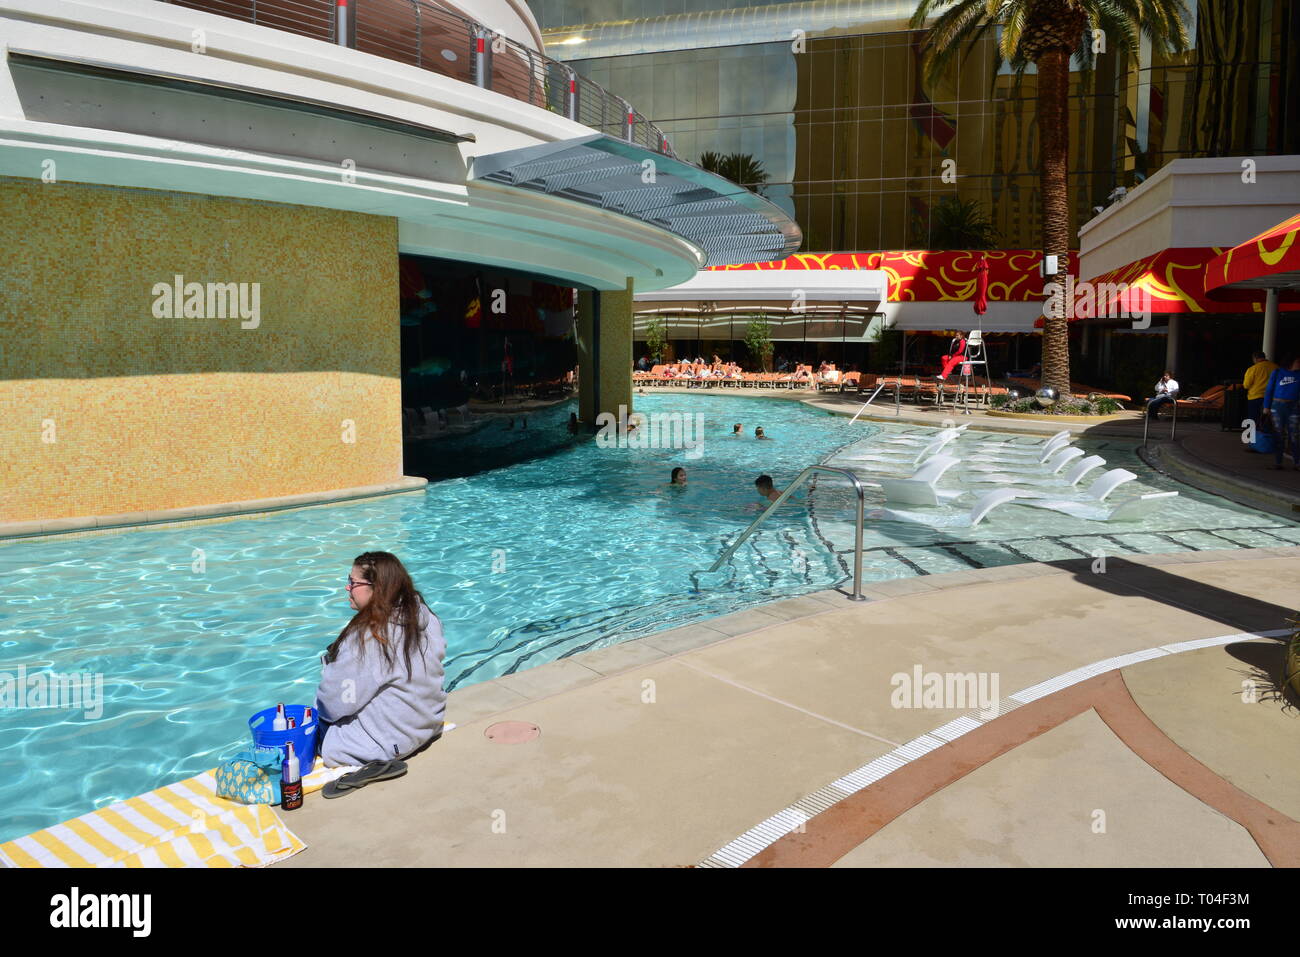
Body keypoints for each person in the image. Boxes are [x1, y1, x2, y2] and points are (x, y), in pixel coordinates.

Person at [315, 552, 446, 771]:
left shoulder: (370, 637)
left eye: (353, 583)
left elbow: (335, 705)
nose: (347, 588)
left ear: (377, 588)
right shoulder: (424, 616)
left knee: (294, 729)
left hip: (383, 743)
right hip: (426, 726)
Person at [1263, 357, 1300, 470]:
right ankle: (1278, 462)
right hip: (1277, 406)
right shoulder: (1278, 372)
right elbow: (1269, 390)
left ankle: (1297, 463)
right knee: (1279, 435)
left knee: (1294, 435)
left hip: (1293, 406)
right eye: (1297, 361)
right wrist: (1266, 407)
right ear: (1291, 363)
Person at [1243, 351, 1279, 437]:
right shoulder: (1276, 368)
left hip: (1255, 397)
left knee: (1253, 420)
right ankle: (1266, 442)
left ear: (1255, 358)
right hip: (1271, 398)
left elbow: (1246, 385)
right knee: (1267, 421)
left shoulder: (1253, 369)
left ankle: (1253, 441)